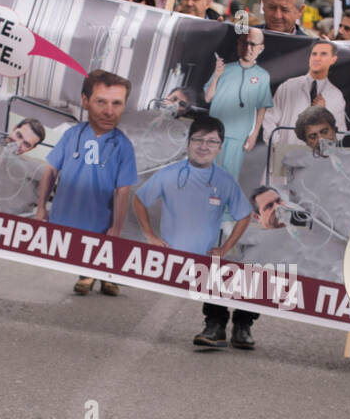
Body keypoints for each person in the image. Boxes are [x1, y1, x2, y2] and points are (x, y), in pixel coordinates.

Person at [132, 117, 256, 348]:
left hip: (204, 259)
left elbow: (244, 215)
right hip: (169, 257)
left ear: (220, 147)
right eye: (198, 139)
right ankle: (219, 326)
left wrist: (225, 248)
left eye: (211, 141)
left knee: (252, 272)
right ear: (188, 143)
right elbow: (139, 200)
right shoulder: (169, 173)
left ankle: (232, 325)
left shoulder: (224, 180)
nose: (203, 146)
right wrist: (150, 235)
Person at [34, 70, 136, 296]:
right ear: (85, 101)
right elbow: (50, 170)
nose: (109, 111)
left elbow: (123, 189)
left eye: (117, 103)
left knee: (105, 246)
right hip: (69, 212)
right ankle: (89, 274)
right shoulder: (72, 135)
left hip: (102, 215)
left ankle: (104, 277)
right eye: (101, 102)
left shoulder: (123, 146)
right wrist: (41, 207)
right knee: (79, 246)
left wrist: (117, 226)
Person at [204, 27, 273, 180]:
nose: (248, 48)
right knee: (207, 172)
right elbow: (208, 98)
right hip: (215, 131)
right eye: (245, 43)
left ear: (261, 48)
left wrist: (254, 135)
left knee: (229, 176)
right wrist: (216, 77)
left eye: (253, 44)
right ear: (238, 44)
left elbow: (262, 107)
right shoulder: (224, 70)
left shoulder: (262, 76)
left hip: (239, 135)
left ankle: (225, 204)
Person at [263, 39, 345, 148]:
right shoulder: (288, 86)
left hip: (316, 157)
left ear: (333, 60)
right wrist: (277, 145)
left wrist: (323, 114)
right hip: (285, 152)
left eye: (323, 54)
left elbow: (340, 134)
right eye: (314, 54)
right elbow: (269, 118)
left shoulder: (336, 95)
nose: (317, 58)